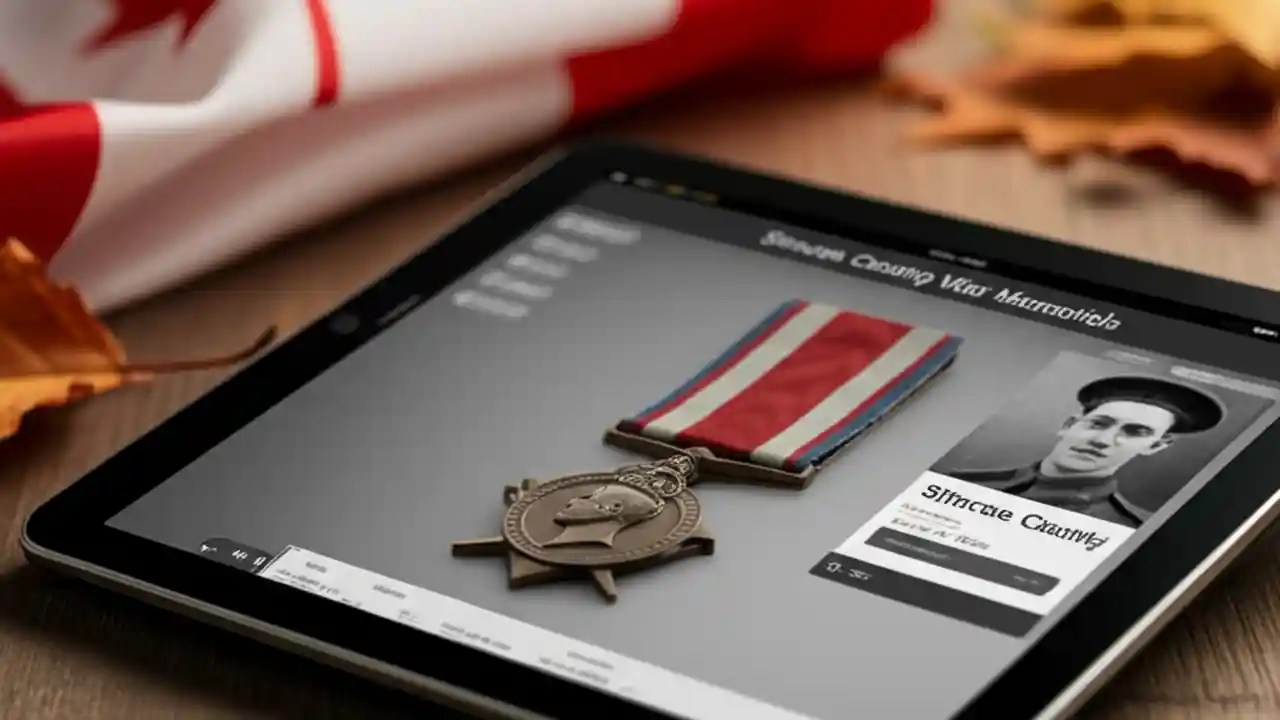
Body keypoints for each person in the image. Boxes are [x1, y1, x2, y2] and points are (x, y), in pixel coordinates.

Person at [946, 376, 1224, 527]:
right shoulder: (958, 484)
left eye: (1135, 432)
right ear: (1068, 425)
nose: (1103, 440)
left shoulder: (1134, 529)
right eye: (1098, 424)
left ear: (1155, 445)